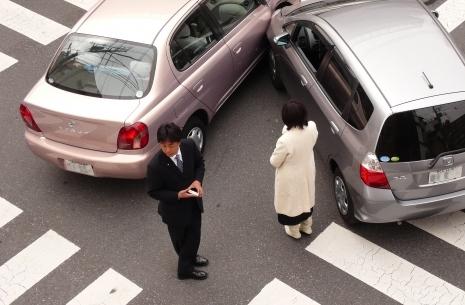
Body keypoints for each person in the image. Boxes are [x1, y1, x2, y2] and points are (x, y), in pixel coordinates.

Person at [147, 122, 209, 280]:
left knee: (194, 235)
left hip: (193, 203)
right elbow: (154, 192)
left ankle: (191, 258)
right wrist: (177, 195)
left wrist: (197, 181)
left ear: (179, 141)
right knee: (181, 241)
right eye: (163, 146)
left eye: (171, 145)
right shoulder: (155, 166)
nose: (167, 150)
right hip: (173, 211)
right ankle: (185, 270)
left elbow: (200, 164)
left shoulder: (189, 146)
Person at [270, 101, 318, 239]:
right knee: (306, 198)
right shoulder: (312, 128)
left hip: (291, 177)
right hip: (307, 170)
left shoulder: (285, 140)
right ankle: (307, 226)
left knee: (293, 203)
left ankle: (294, 231)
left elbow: (274, 161)